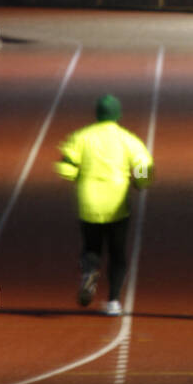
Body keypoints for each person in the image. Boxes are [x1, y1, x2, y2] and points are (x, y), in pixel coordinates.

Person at [55, 94, 154, 315]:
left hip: (88, 203)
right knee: (117, 253)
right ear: (118, 115)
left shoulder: (80, 137)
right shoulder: (128, 139)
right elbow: (143, 165)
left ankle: (89, 272)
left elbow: (67, 168)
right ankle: (114, 301)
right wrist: (139, 182)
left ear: (97, 114)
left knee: (91, 247)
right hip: (117, 204)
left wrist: (76, 175)